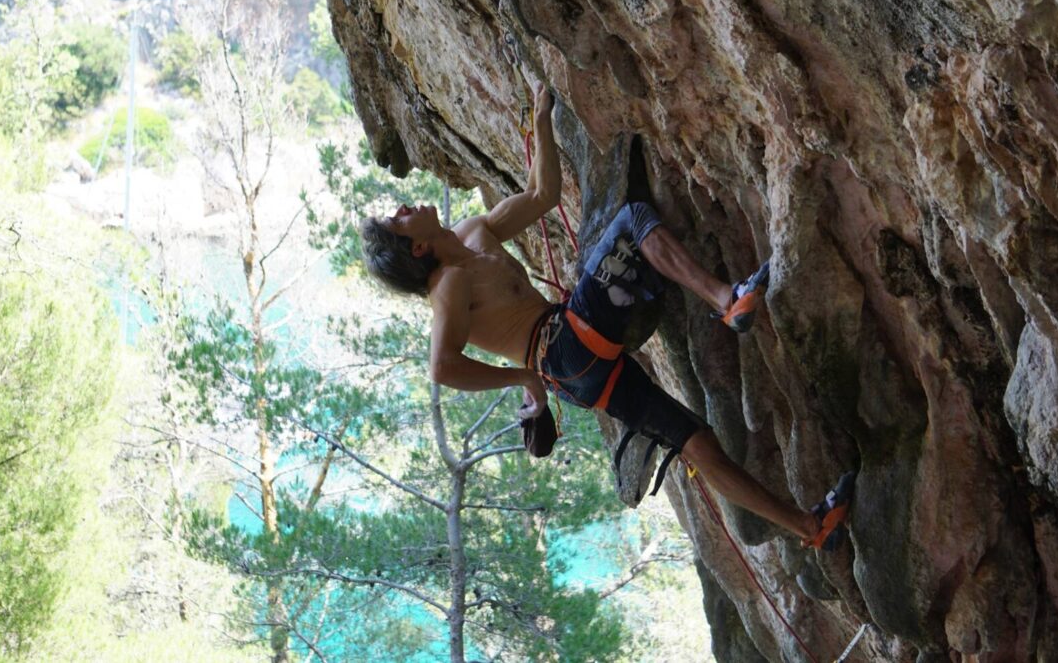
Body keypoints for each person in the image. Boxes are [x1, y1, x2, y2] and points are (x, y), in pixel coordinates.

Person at [361, 83, 851, 548]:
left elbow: (541, 197)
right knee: (633, 220)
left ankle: (811, 526)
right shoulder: (446, 284)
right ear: (418, 246)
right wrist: (523, 378)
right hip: (562, 347)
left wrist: (542, 117)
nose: (404, 206)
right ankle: (727, 300)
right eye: (398, 219)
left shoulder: (473, 233)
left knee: (695, 440)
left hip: (577, 373)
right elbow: (442, 367)